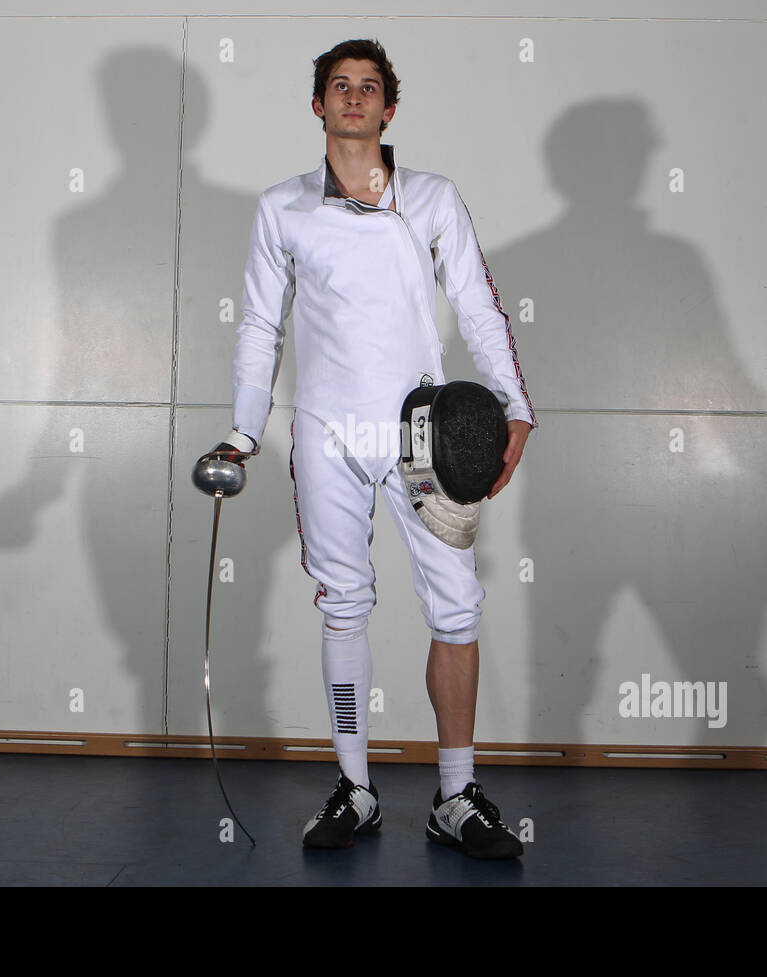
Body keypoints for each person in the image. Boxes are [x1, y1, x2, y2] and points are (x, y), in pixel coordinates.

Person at [207, 38, 537, 859]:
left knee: (456, 605)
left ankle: (456, 795)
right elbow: (258, 322)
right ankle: (355, 788)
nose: (354, 97)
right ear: (317, 105)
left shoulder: (429, 198)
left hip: (424, 433)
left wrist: (514, 406)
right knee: (344, 604)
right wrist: (245, 429)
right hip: (327, 432)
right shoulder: (282, 208)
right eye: (339, 87)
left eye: (370, 87)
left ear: (391, 108)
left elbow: (477, 303)